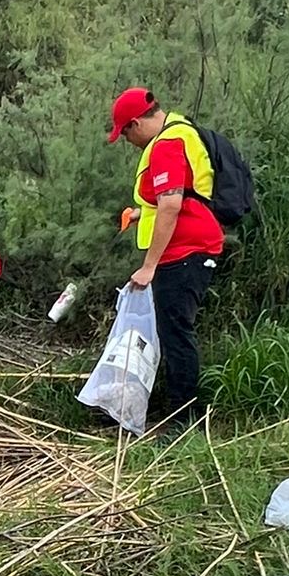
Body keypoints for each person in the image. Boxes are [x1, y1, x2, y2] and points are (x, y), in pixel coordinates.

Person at [108, 87, 224, 421]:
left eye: (125, 133)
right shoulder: (179, 130)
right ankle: (172, 407)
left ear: (135, 124)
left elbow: (171, 207)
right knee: (171, 332)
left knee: (176, 335)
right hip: (190, 248)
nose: (129, 142)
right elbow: (175, 199)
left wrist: (148, 266)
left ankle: (183, 419)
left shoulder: (167, 145)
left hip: (185, 252)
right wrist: (139, 213)